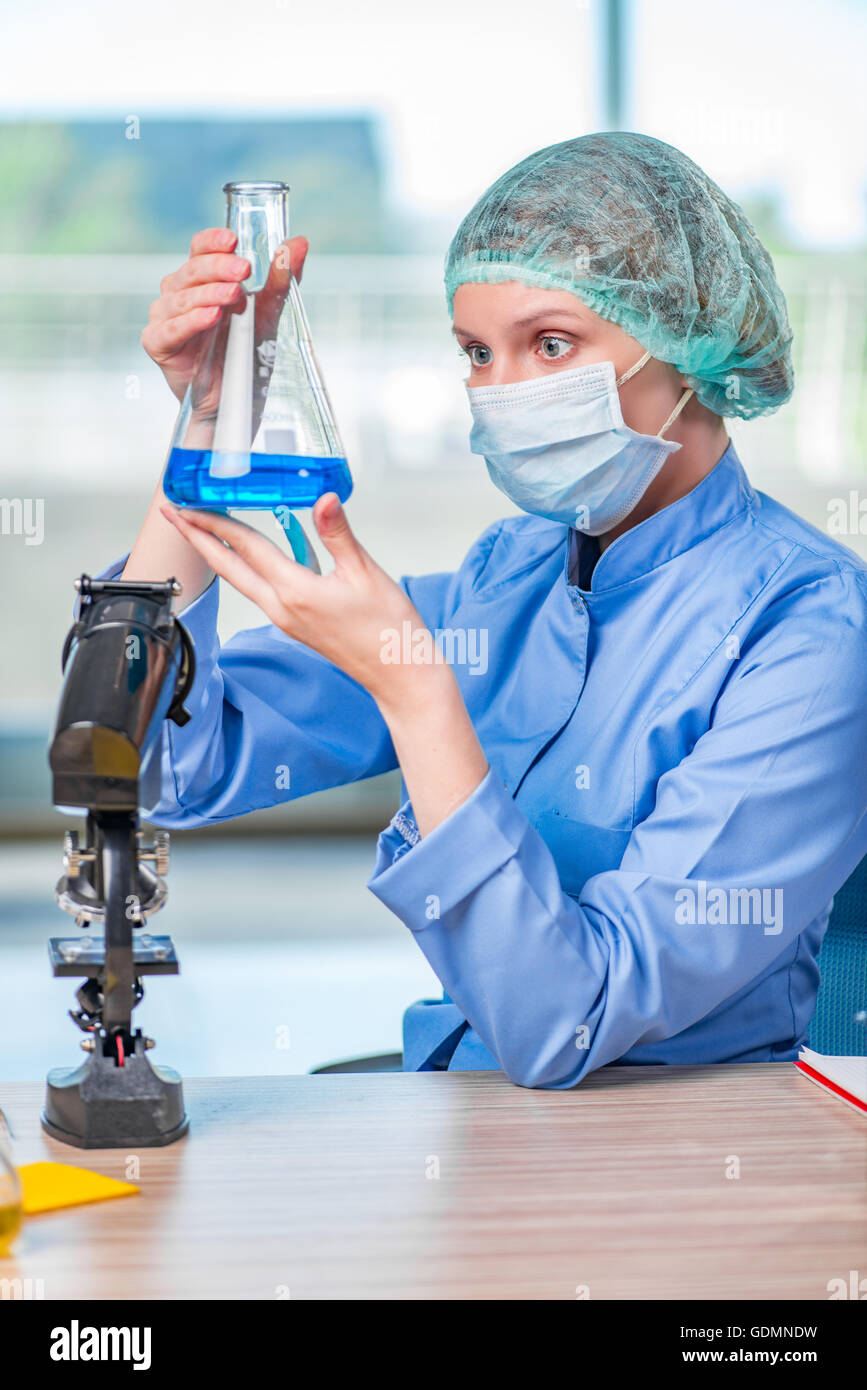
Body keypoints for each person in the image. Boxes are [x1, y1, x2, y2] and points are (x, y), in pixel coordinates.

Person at [104, 132, 867, 1086]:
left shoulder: (809, 628)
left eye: (550, 344)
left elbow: (566, 1022)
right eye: (476, 352)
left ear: (687, 341)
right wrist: (213, 418)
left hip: (678, 1155)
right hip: (470, 1110)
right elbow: (152, 760)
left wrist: (413, 689)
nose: (501, 394)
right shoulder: (507, 581)